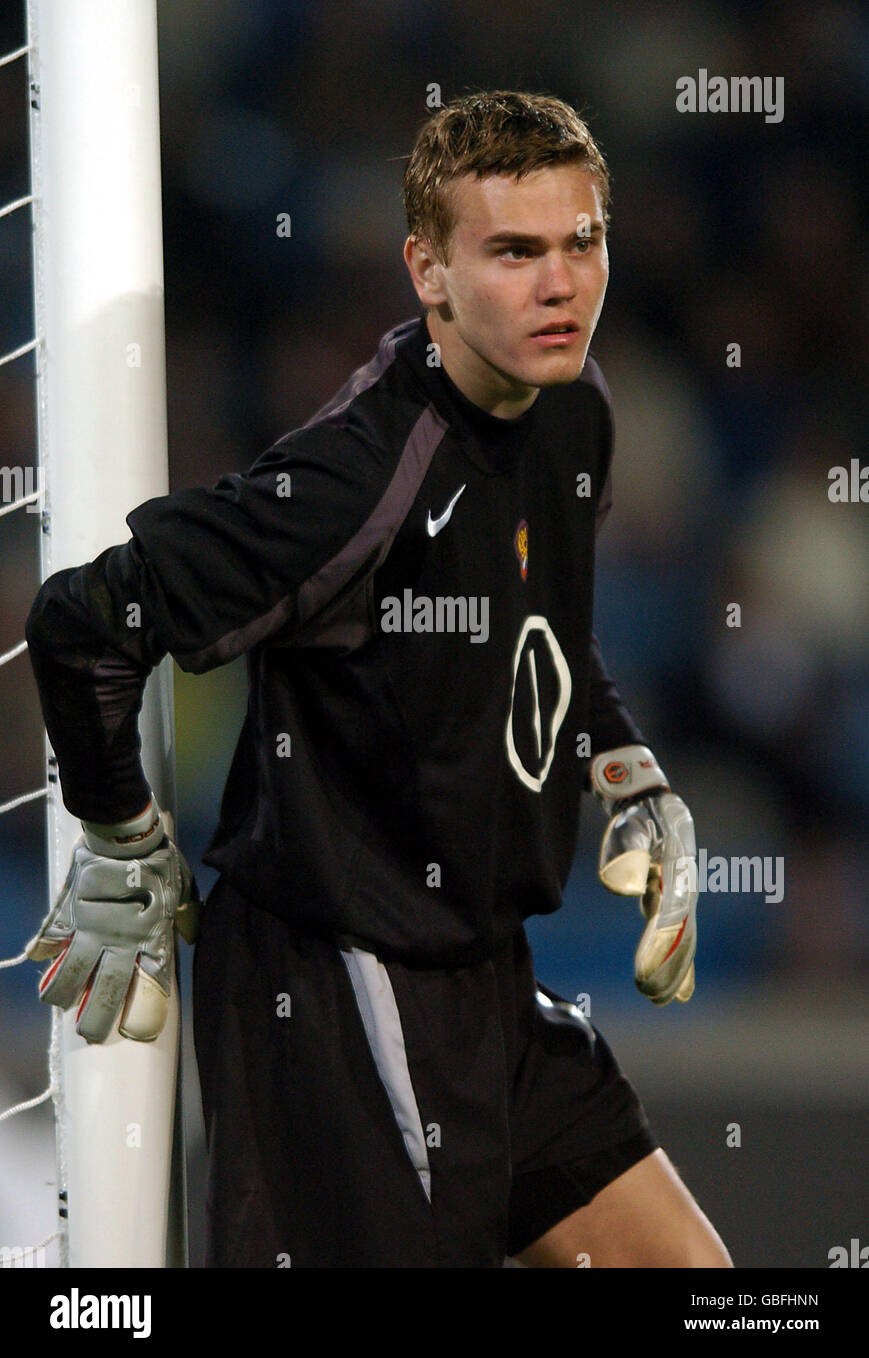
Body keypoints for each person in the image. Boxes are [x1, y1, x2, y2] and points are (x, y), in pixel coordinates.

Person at [24, 89, 732, 1268]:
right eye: (512, 251)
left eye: (581, 241)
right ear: (427, 271)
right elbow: (83, 620)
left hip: (486, 972)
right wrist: (118, 833)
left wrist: (623, 765)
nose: (560, 284)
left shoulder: (574, 410)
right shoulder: (353, 482)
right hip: (343, 992)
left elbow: (537, 635)